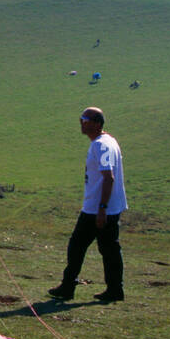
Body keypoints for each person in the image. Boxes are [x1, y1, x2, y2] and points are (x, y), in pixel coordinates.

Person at [48, 106, 126, 302]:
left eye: (86, 118)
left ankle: (69, 287)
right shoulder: (105, 141)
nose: (81, 122)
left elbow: (108, 178)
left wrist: (102, 209)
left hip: (98, 208)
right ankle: (114, 289)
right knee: (108, 249)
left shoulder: (101, 145)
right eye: (81, 117)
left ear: (97, 124)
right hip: (105, 207)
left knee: (78, 246)